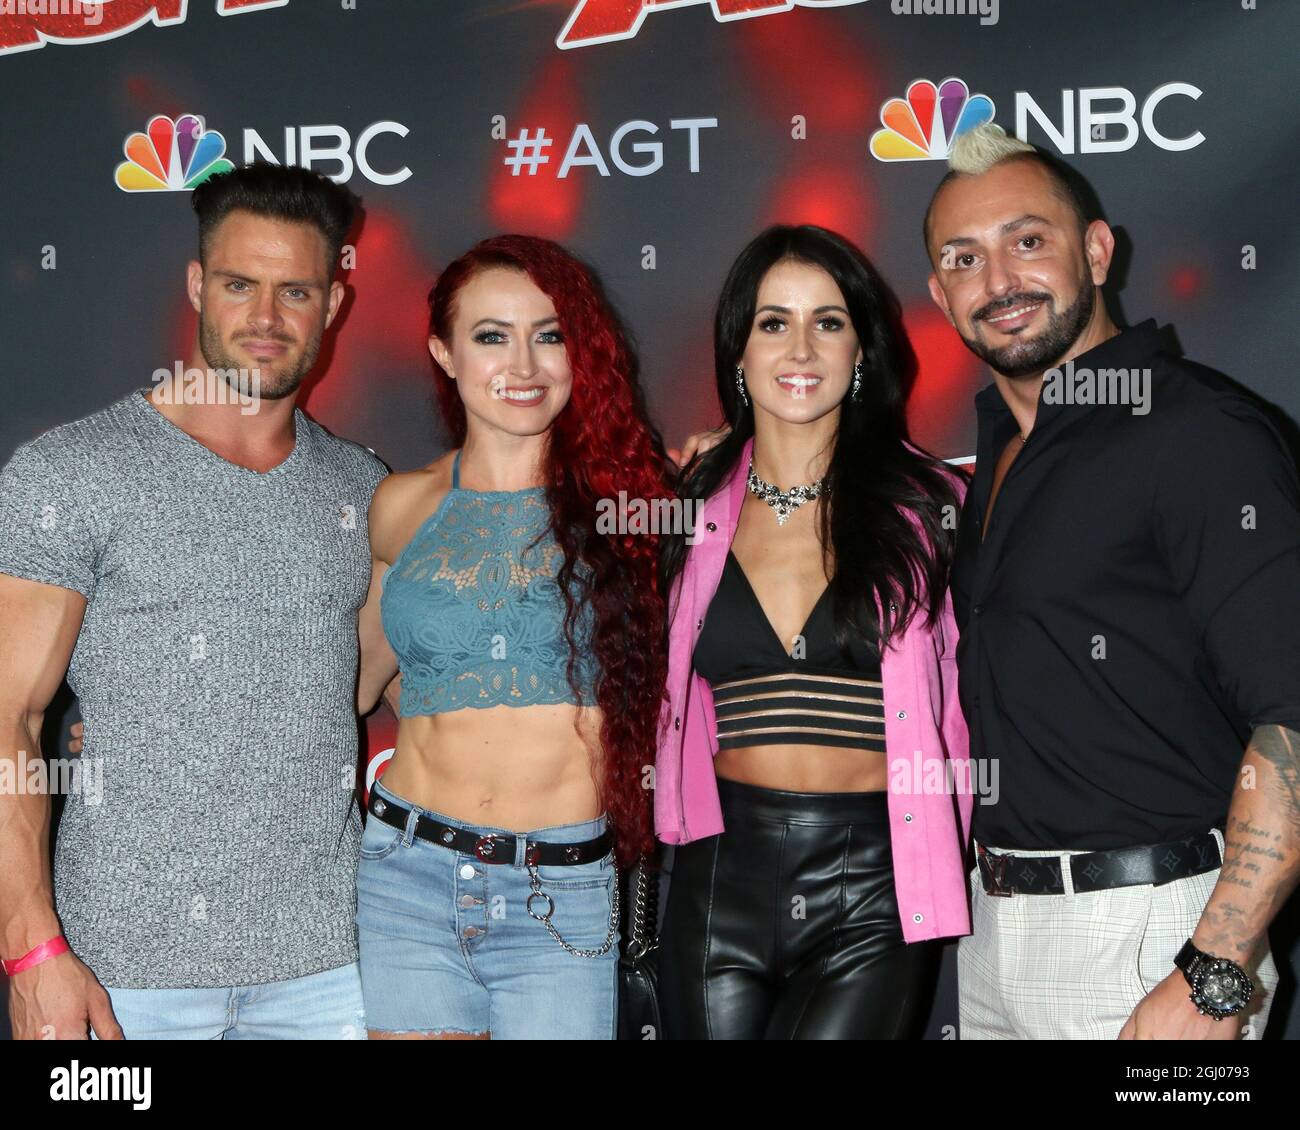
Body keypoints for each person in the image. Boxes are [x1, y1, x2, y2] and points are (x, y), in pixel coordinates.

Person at [924, 123, 1299, 1039]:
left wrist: (1216, 970)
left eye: (1028, 240)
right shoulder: (996, 461)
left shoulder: (1200, 430)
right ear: (939, 294)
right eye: (964, 259)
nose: (1000, 280)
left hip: (1155, 936)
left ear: (1096, 249)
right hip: (995, 936)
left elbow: (1293, 718)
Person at [0, 163, 385, 1039]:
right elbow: (7, 721)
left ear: (333, 305)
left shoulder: (363, 490)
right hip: (117, 978)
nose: (265, 317)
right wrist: (30, 955)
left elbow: (362, 692)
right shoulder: (71, 473)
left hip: (333, 978)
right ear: (197, 287)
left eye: (297, 290)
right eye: (240, 284)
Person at [655, 225, 974, 1039]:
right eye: (773, 322)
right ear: (738, 351)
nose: (801, 346)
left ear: (861, 347)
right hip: (720, 868)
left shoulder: (933, 507)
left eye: (828, 321)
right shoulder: (686, 507)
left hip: (874, 877)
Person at [351, 235, 670, 1040]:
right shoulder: (401, 504)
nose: (523, 363)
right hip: (405, 876)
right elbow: (350, 687)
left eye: (550, 334)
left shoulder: (639, 505)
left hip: (559, 893)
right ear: (444, 353)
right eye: (492, 336)